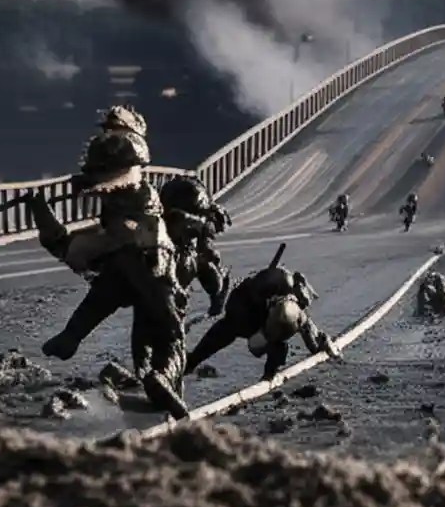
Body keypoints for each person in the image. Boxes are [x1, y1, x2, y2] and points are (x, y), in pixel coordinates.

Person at [30, 106, 190, 419]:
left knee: (101, 296)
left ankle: (73, 334)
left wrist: (90, 186)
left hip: (122, 251)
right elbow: (126, 177)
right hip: (147, 253)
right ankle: (162, 377)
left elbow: (122, 179)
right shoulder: (129, 154)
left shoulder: (113, 157)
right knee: (168, 331)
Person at [184, 263, 339, 382]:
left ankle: (269, 374)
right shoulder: (245, 309)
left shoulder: (295, 318)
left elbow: (310, 332)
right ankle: (190, 363)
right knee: (222, 333)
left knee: (276, 347)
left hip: (265, 316)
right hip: (249, 310)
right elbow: (219, 332)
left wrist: (321, 344)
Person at [160, 175, 233, 316]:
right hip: (174, 244)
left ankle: (219, 287)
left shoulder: (204, 214)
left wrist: (203, 229)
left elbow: (215, 228)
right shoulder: (167, 206)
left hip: (194, 246)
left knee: (207, 270)